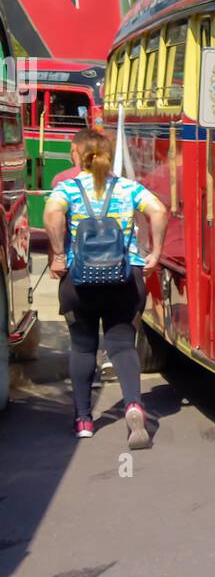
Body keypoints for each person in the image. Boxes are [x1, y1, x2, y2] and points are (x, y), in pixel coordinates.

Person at [43, 130, 168, 445]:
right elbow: (159, 211)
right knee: (123, 346)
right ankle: (134, 405)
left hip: (78, 281)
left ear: (75, 153)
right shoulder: (128, 188)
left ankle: (84, 420)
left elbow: (51, 214)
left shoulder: (67, 189)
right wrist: (153, 253)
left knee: (83, 347)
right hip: (125, 280)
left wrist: (59, 255)